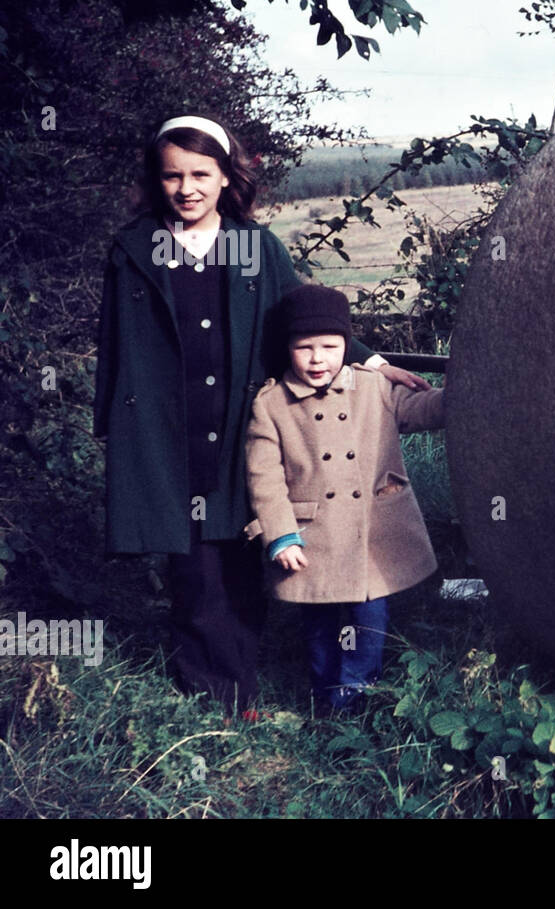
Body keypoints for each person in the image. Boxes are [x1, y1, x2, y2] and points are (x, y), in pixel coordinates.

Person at [93, 114, 431, 715]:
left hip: (246, 427)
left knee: (243, 556)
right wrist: (114, 425)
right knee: (194, 565)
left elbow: (301, 322)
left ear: (226, 176)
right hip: (170, 430)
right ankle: (218, 696)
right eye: (172, 176)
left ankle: (261, 673)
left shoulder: (255, 247)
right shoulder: (134, 249)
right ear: (157, 180)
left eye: (201, 173)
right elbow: (116, 342)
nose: (187, 188)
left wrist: (372, 362)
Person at [243, 284, 445, 712]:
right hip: (312, 538)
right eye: (305, 348)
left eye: (331, 346)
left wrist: (463, 394)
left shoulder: (373, 389)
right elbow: (264, 477)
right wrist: (280, 535)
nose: (318, 359)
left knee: (369, 621)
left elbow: (421, 410)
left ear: (347, 346)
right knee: (318, 623)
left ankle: (355, 696)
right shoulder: (272, 405)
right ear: (287, 348)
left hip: (369, 536)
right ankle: (324, 695)